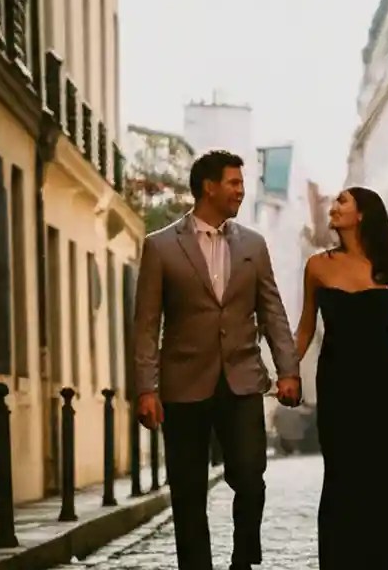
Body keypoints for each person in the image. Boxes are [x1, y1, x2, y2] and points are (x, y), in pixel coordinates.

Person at [132, 149, 302, 570]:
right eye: (234, 183)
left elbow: (273, 311)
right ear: (208, 187)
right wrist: (146, 389)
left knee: (250, 477)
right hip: (183, 385)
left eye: (242, 184)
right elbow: (146, 325)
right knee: (188, 491)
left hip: (242, 380)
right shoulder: (160, 248)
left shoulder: (253, 246)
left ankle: (243, 560)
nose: (241, 191)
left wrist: (288, 371)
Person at [293, 186, 388, 569]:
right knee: (339, 479)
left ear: (363, 213)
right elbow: (305, 330)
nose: (333, 208)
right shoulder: (317, 266)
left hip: (383, 387)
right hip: (337, 384)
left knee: (380, 484)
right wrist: (285, 372)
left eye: (341, 202)